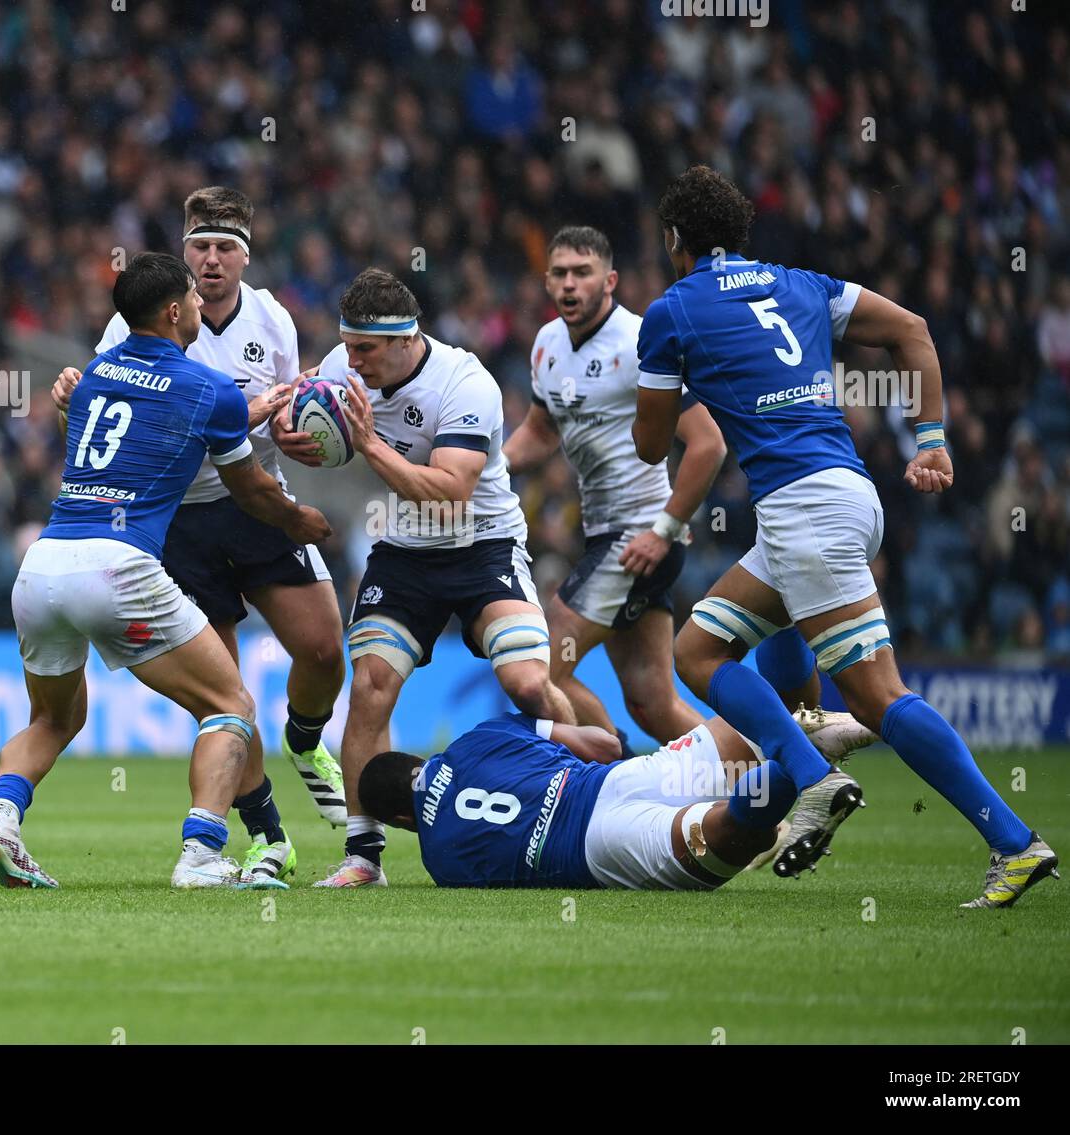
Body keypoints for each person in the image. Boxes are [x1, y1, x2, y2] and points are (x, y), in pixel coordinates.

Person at [634, 165, 1058, 908]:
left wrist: (671, 386)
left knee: (878, 697)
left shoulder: (672, 312)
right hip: (848, 494)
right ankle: (810, 752)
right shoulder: (800, 283)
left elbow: (648, 443)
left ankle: (1012, 841)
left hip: (804, 512)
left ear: (675, 239)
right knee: (700, 648)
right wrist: (931, 439)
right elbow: (914, 332)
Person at [0, 252, 330, 891]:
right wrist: (298, 520)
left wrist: (238, 414)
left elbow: (142, 423)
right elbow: (248, 489)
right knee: (231, 705)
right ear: (174, 311)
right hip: (117, 566)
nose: (200, 304)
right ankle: (201, 855)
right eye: (192, 297)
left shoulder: (96, 375)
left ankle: (1, 820)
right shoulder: (208, 388)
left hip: (44, 564)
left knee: (53, 718)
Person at [52, 187, 347, 888]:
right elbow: (97, 406)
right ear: (184, 257)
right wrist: (71, 392)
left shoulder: (271, 317)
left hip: (259, 503)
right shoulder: (131, 328)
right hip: (179, 519)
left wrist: (297, 435)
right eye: (200, 248)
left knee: (323, 645)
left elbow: (283, 412)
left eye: (224, 249)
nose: (211, 261)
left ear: (245, 255)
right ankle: (265, 836)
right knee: (226, 690)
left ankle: (305, 740)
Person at [272, 268, 577, 887]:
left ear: (408, 338)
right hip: (405, 551)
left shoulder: (466, 383)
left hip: (482, 545)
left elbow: (452, 491)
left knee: (526, 684)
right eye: (347, 346)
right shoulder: (344, 363)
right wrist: (292, 434)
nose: (351, 361)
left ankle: (590, 788)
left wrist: (367, 444)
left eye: (366, 350)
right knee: (372, 686)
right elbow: (302, 410)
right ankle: (364, 857)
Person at [503, 224, 726, 747]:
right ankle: (760, 782)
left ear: (610, 281)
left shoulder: (641, 341)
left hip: (639, 537)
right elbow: (539, 431)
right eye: (559, 273)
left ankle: (612, 772)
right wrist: (485, 468)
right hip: (608, 537)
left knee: (543, 665)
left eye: (582, 273)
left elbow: (707, 444)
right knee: (653, 702)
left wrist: (664, 530)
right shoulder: (547, 344)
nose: (569, 285)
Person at [356, 706, 873, 890]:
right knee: (743, 728)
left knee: (729, 831)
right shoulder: (478, 738)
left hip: (598, 848)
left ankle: (787, 787)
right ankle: (846, 727)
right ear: (414, 759)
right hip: (612, 781)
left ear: (402, 819)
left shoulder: (440, 861)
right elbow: (599, 744)